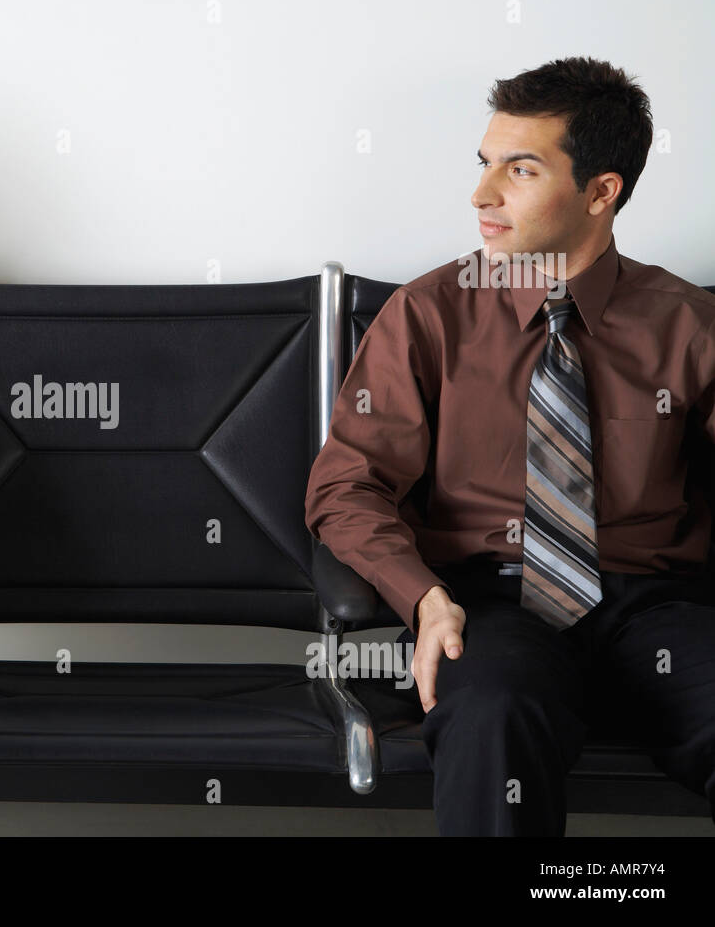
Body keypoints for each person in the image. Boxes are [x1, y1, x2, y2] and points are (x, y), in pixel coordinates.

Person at [304, 57, 715, 835]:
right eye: (485, 164)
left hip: (654, 609)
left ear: (602, 191)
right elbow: (345, 486)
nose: (482, 195)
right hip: (485, 604)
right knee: (493, 710)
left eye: (519, 170)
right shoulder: (428, 314)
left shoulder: (688, 324)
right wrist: (421, 598)